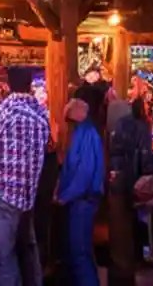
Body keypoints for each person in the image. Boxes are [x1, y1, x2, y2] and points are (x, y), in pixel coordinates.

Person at [0, 66, 51, 286]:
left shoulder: (8, 109)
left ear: (8, 84)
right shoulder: (41, 115)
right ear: (30, 85)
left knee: (2, 257)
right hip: (29, 194)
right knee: (28, 250)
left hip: (5, 191)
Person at [108, 97, 153, 286]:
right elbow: (145, 154)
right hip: (133, 181)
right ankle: (142, 257)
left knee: (121, 232)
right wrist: (149, 172)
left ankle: (124, 273)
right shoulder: (140, 126)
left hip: (118, 182)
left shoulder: (112, 128)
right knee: (138, 222)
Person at [58, 98, 103, 286]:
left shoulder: (86, 133)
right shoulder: (84, 131)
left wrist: (64, 196)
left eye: (69, 119)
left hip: (82, 201)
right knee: (81, 252)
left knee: (80, 253)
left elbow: (84, 172)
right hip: (80, 199)